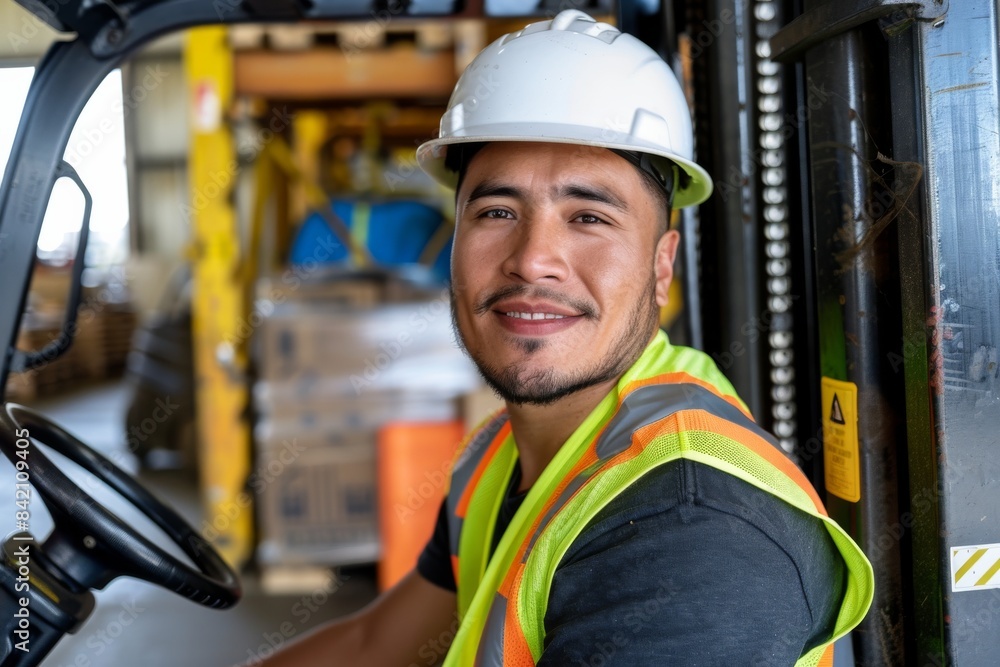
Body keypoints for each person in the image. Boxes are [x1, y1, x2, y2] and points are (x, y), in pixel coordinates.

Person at [260, 10, 873, 666]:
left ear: (661, 265)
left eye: (588, 217)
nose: (533, 259)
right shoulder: (496, 458)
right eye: (498, 212)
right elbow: (375, 643)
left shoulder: (689, 532)